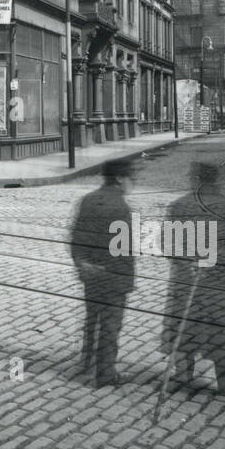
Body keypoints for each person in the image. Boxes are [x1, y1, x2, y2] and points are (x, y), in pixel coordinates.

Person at [161, 161, 225, 395]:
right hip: (219, 282)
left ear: (196, 180)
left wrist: (187, 261)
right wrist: (214, 259)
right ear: (215, 180)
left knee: (183, 327)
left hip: (186, 280)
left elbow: (166, 244)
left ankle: (182, 376)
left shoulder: (178, 206)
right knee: (222, 330)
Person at [70, 159, 135, 386]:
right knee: (110, 326)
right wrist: (126, 280)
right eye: (130, 177)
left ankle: (86, 362)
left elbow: (76, 238)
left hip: (90, 274)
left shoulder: (88, 200)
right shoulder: (120, 207)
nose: (131, 183)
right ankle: (106, 373)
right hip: (113, 277)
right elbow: (122, 250)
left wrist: (82, 265)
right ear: (119, 179)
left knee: (92, 319)